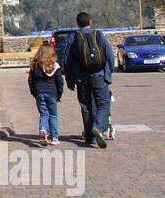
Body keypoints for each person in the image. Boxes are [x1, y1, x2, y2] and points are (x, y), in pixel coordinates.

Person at [63, 11, 114, 148]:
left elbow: (67, 61)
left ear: (77, 24)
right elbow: (110, 55)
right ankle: (98, 127)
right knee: (103, 103)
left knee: (86, 107)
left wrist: (70, 80)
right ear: (90, 22)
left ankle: (90, 137)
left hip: (81, 78)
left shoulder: (74, 37)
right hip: (99, 75)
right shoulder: (98, 35)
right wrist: (108, 73)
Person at [27, 43, 65, 146]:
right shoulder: (55, 66)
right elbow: (60, 82)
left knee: (44, 113)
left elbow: (30, 80)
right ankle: (54, 137)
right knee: (53, 114)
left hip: (39, 93)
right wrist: (59, 94)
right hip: (52, 93)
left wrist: (34, 92)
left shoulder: (35, 65)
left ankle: (43, 129)